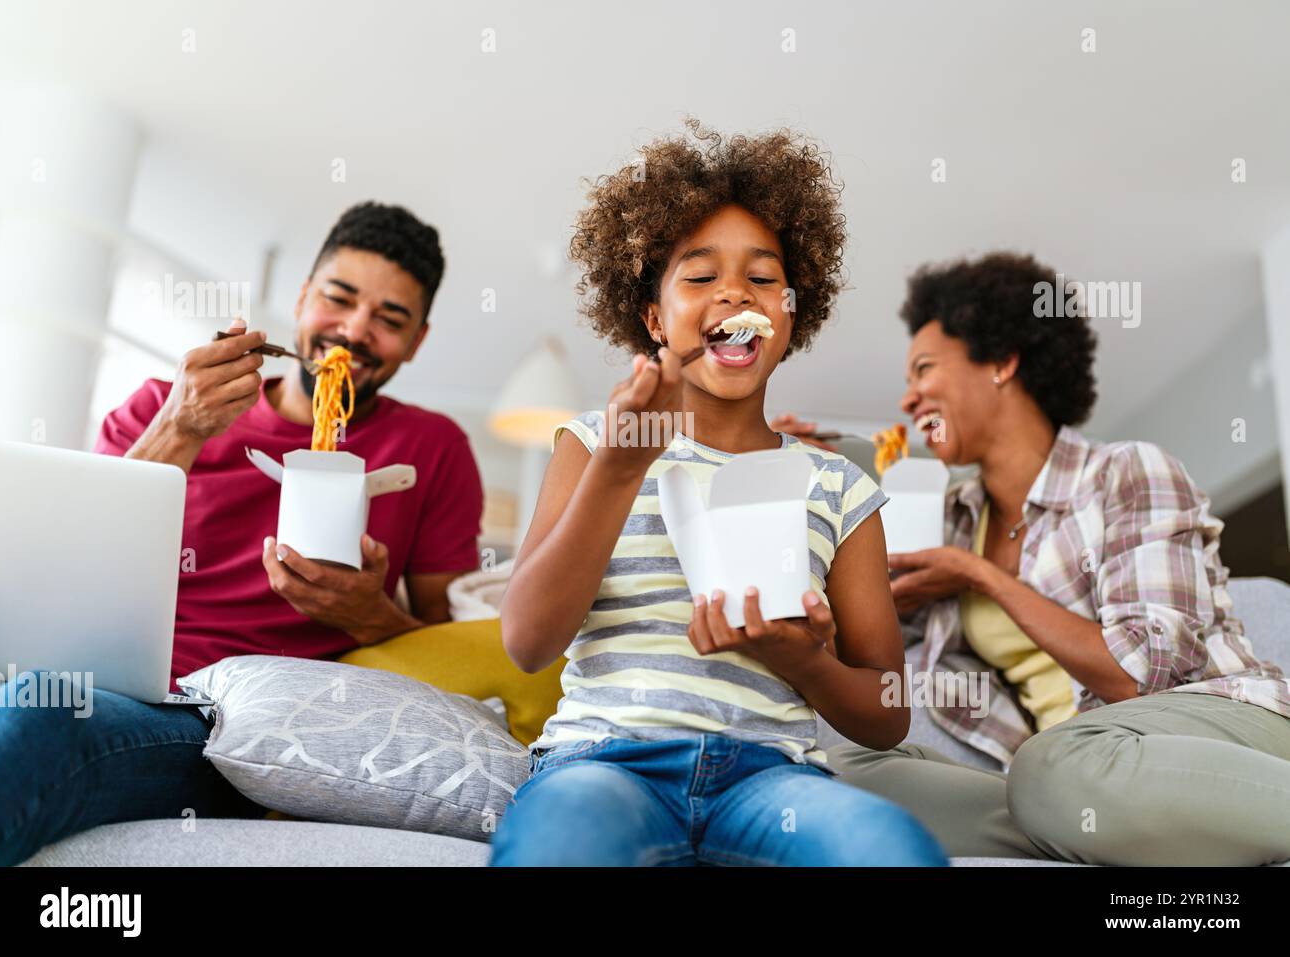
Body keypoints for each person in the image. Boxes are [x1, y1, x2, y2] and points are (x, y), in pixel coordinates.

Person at [488, 120, 947, 867]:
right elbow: (528, 641)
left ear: (792, 314)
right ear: (653, 317)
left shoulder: (838, 486)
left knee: (892, 849)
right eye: (700, 277)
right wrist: (620, 466)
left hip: (768, 779)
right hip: (605, 765)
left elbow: (888, 713)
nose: (734, 290)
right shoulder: (592, 443)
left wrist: (803, 661)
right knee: (561, 843)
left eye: (763, 278)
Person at [0, 202, 483, 866]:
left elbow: (448, 651)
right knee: (32, 692)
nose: (355, 332)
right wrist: (180, 428)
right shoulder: (160, 406)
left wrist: (370, 617)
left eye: (390, 320)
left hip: (227, 727)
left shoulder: (434, 448)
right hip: (105, 676)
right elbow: (65, 571)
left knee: (36, 714)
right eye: (339, 299)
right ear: (303, 297)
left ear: (418, 341)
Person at [782, 252, 1290, 866]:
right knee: (845, 773)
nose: (909, 399)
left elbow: (1137, 677)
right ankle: (1096, 833)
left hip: (1207, 732)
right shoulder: (954, 523)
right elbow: (860, 650)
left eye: (923, 370)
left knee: (1052, 766)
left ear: (1001, 361)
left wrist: (981, 576)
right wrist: (824, 479)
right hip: (1061, 785)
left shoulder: (1125, 472)